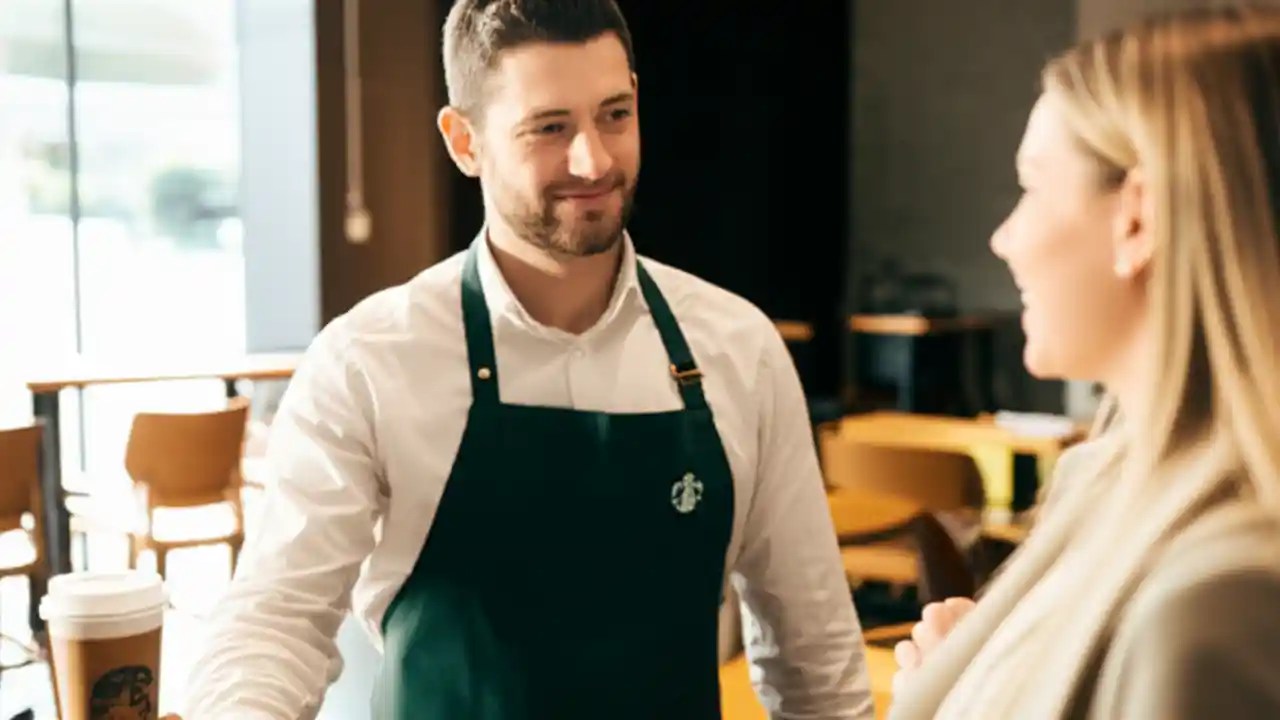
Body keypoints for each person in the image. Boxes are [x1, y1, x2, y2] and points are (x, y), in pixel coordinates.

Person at [183, 1, 873, 718]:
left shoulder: (741, 349)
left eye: (614, 114)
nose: (594, 161)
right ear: (465, 141)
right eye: (550, 128)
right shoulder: (369, 361)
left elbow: (815, 658)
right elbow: (274, 620)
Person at [890, 6, 1280, 719]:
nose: (1004, 238)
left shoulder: (1219, 601)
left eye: (1031, 185)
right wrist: (988, 673)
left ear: (1138, 217)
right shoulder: (1107, 484)